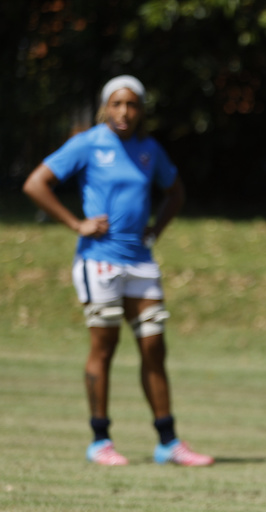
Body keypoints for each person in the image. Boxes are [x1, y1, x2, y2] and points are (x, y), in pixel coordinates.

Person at [22, 75, 213, 467]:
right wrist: (77, 224)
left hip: (140, 261)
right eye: (117, 104)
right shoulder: (88, 143)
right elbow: (36, 184)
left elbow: (175, 192)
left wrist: (156, 229)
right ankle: (100, 439)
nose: (124, 112)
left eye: (132, 105)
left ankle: (168, 442)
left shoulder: (149, 150)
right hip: (100, 260)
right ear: (105, 107)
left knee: (154, 347)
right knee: (104, 348)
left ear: (141, 109)